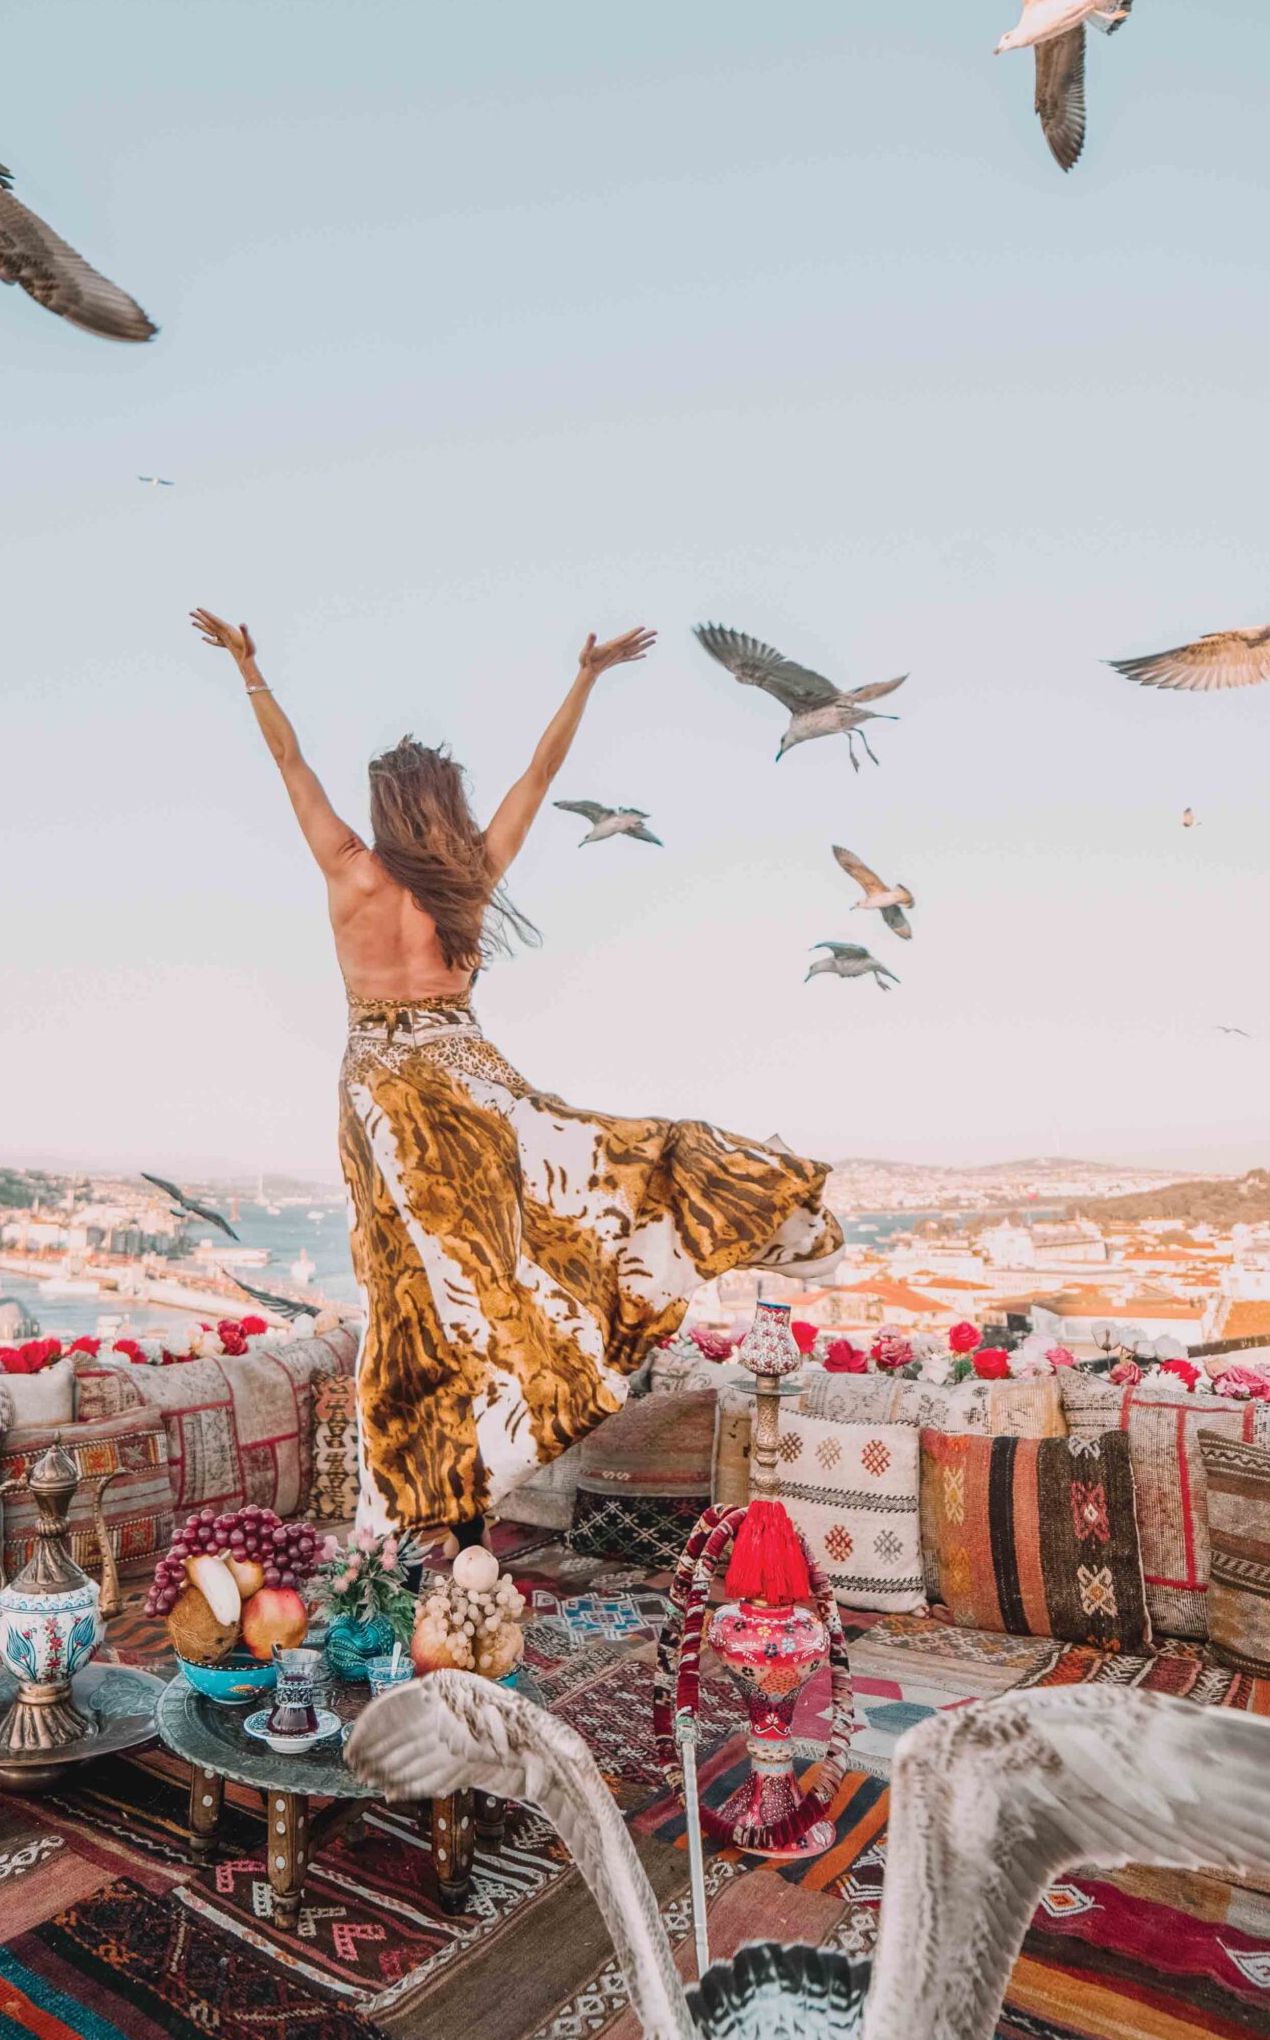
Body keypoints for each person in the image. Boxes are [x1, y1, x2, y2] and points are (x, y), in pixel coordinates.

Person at [192, 608, 843, 1543]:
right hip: (471, 1080)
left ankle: (434, 1498)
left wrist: (251, 671)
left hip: (384, 1096)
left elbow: (289, 765)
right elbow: (541, 774)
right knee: (514, 1261)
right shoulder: (470, 877)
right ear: (447, 806)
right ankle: (471, 1483)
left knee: (414, 1292)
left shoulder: (352, 874)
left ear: (383, 809)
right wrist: (587, 677)